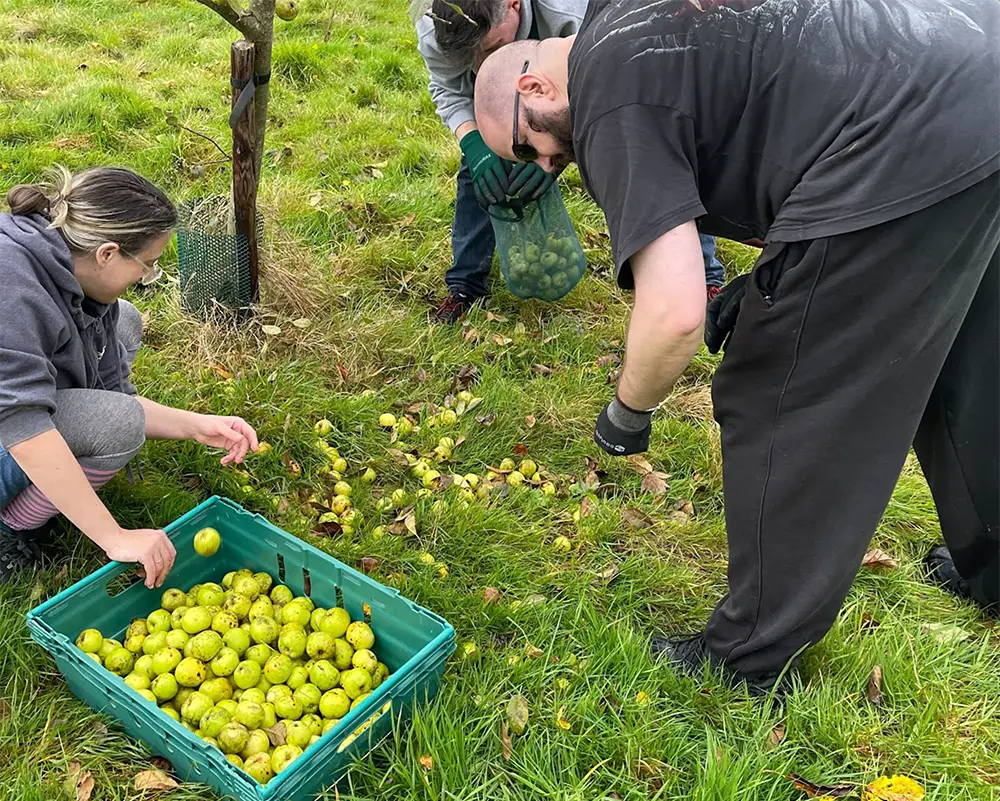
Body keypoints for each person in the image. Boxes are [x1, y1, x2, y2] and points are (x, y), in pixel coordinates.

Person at [472, 0, 1000, 695]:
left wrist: (627, 413)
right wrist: (769, 279)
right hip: (973, 69)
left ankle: (750, 653)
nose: (546, 166)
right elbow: (789, 122)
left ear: (533, 86)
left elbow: (674, 313)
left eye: (527, 147)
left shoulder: (605, 101)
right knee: (961, 358)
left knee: (778, 387)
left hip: (909, 133)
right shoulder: (618, 20)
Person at [0, 165, 259, 588]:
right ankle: (11, 527)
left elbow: (116, 396)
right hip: (10, 426)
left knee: (125, 321)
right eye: (148, 265)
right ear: (106, 253)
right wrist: (113, 536)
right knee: (117, 425)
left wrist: (198, 426)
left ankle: (53, 491)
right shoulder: (11, 288)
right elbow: (21, 424)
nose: (145, 277)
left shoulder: (71, 268)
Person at [414, 0, 725, 323]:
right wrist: (476, 145)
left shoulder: (572, 13)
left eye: (492, 46)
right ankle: (465, 284)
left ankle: (705, 276)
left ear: (513, 4)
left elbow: (607, 94)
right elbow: (448, 90)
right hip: (503, 104)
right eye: (470, 56)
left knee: (661, 157)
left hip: (594, 79)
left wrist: (556, 157)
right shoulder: (440, 25)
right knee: (478, 177)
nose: (482, 62)